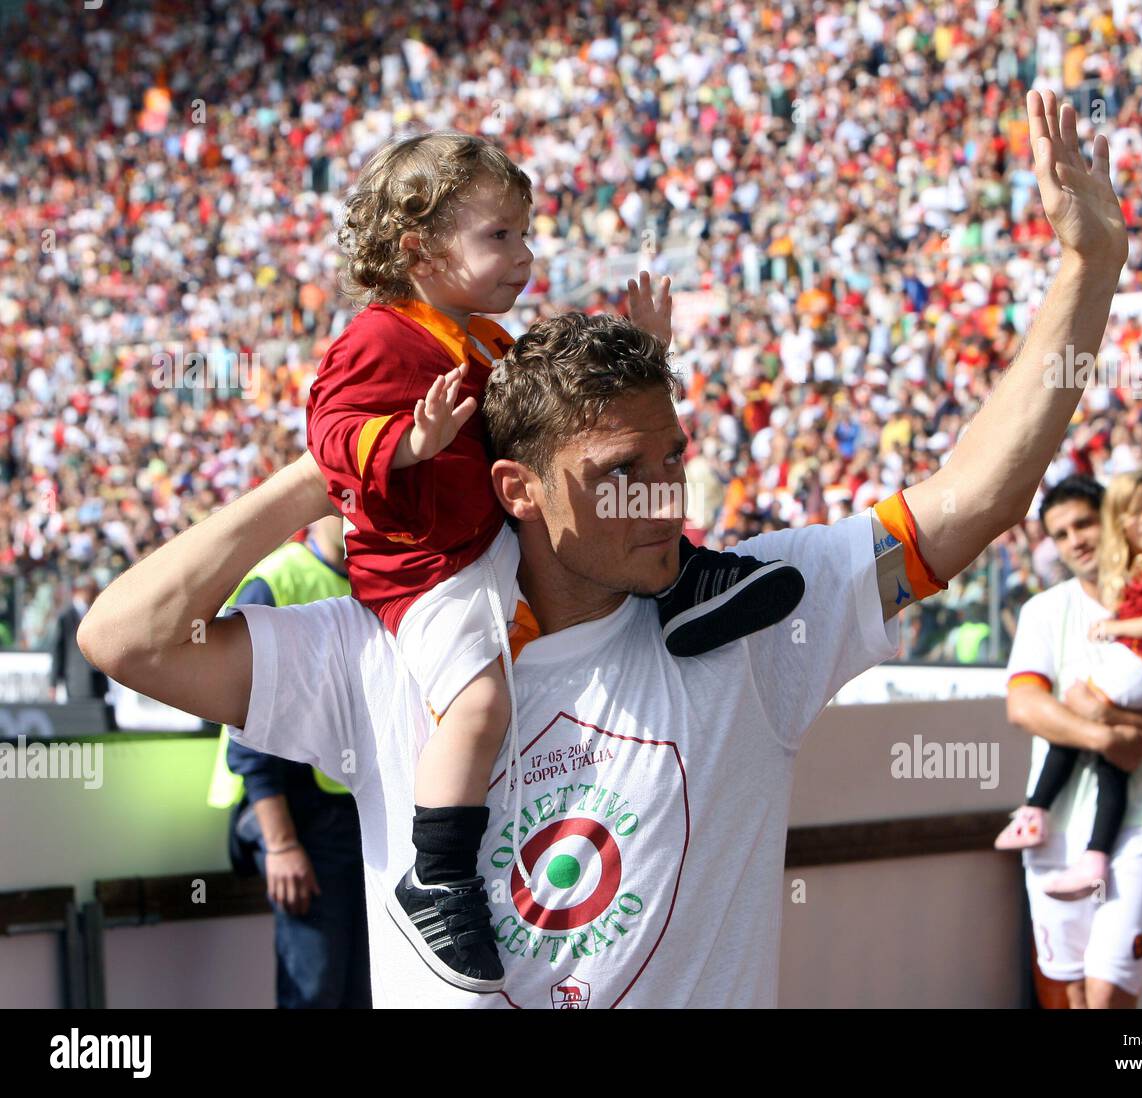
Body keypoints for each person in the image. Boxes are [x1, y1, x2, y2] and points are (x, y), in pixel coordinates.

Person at [81, 90, 1131, 1008]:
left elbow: (978, 497)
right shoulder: (383, 651)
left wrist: (1089, 270)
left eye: (671, 458)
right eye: (617, 472)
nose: (662, 493)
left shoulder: (750, 620)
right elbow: (125, 636)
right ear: (515, 490)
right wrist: (337, 472)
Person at [305, 130, 804, 992]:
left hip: (486, 545)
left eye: (524, 234)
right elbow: (328, 428)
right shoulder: (381, 339)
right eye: (499, 236)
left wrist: (644, 356)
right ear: (416, 248)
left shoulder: (486, 340)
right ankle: (439, 873)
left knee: (607, 507)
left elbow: (560, 421)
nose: (524, 255)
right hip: (426, 569)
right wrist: (404, 440)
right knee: (479, 701)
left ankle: (691, 585)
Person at [1002, 475, 1142, 1009]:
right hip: (1055, 836)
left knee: (1106, 998)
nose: (1075, 539)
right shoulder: (1044, 612)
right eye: (1061, 532)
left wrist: (1116, 718)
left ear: (1116, 520)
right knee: (1067, 997)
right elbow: (1024, 705)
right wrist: (1106, 736)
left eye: (1084, 523)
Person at [206, 516, 371, 1008]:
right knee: (316, 988)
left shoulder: (378, 581)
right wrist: (280, 843)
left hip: (347, 810)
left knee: (360, 989)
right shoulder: (276, 580)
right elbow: (246, 724)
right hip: (290, 813)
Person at [49, 576, 109, 704]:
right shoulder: (66, 617)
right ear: (81, 591)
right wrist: (53, 683)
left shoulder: (97, 613)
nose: (94, 594)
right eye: (91, 590)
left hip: (97, 678)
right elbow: (58, 651)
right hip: (78, 679)